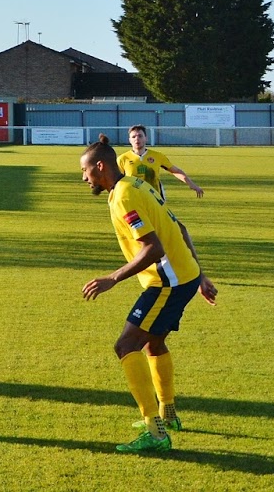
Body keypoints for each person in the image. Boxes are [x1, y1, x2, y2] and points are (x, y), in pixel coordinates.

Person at [79, 135, 215, 453]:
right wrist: (200, 274)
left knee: (126, 345)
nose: (83, 178)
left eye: (86, 171)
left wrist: (113, 278)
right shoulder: (139, 186)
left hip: (168, 283)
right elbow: (178, 228)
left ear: (100, 166)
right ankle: (167, 413)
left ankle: (155, 433)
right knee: (154, 342)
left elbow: (154, 248)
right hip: (183, 276)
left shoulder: (125, 194)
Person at [118, 124, 205, 204]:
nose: (137, 139)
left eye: (140, 136)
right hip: (133, 198)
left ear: (146, 138)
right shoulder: (123, 159)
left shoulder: (157, 156)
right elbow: (116, 180)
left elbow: (176, 171)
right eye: (133, 137)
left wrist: (192, 185)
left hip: (155, 198)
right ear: (129, 140)